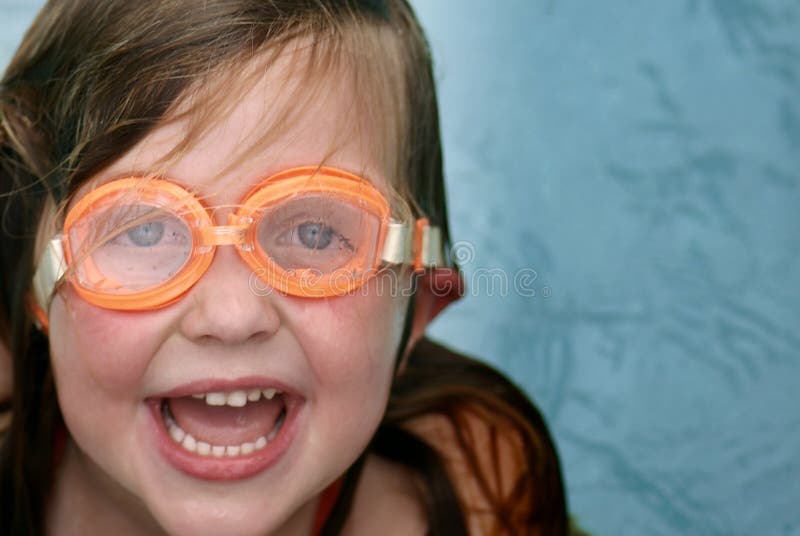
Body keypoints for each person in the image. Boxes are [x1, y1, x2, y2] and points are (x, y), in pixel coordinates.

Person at [0, 1, 572, 534]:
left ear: (420, 302)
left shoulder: (470, 482)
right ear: (36, 291)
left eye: (315, 234)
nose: (229, 315)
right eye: (145, 230)